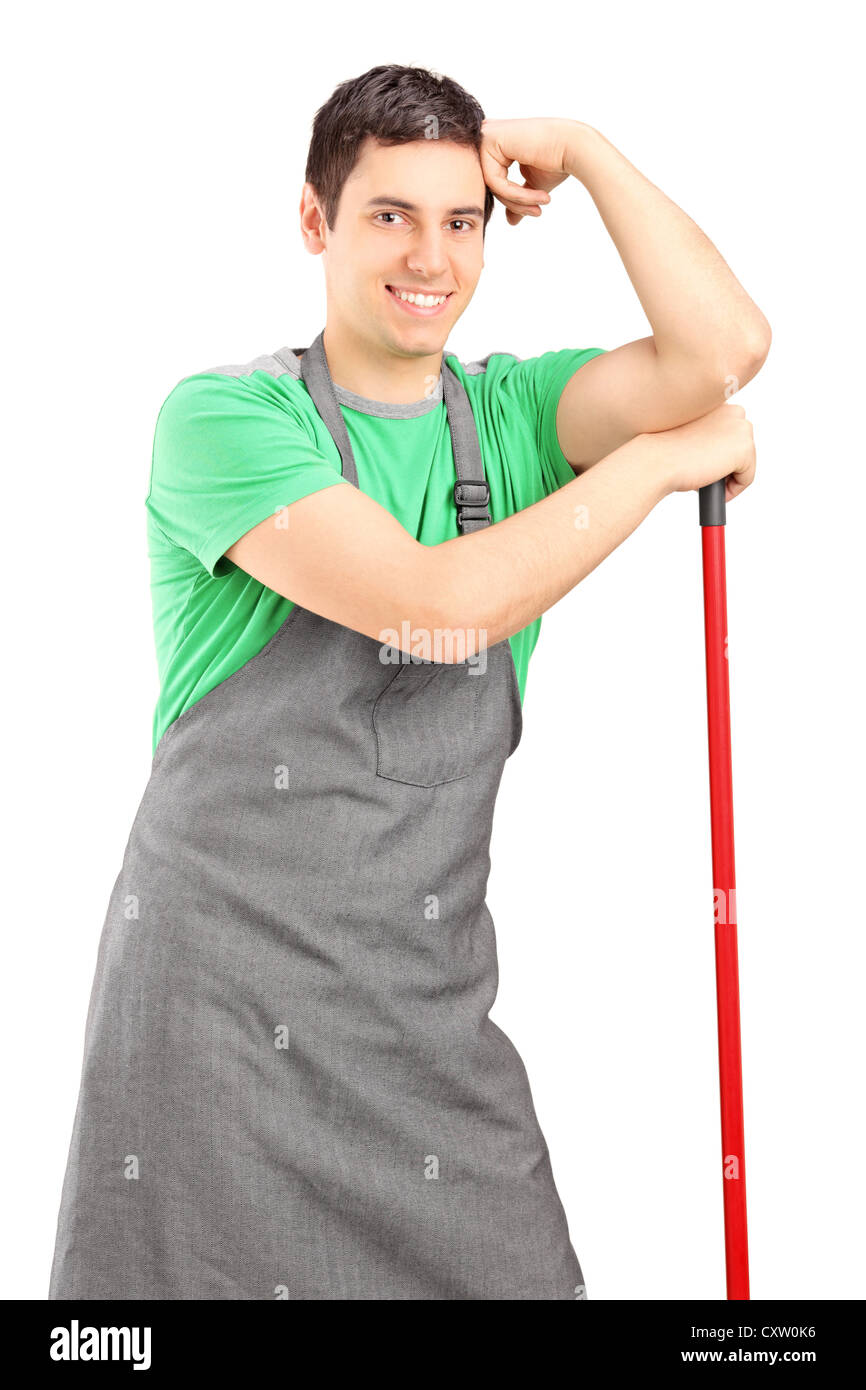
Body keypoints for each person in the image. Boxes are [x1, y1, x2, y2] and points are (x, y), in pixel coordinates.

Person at [48, 64, 769, 1301]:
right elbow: (438, 610)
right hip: (216, 1030)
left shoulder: (515, 419)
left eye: (460, 219)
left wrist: (587, 152)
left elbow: (725, 350)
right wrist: (654, 469)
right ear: (315, 223)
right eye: (389, 215)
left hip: (423, 1030)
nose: (429, 256)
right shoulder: (221, 421)